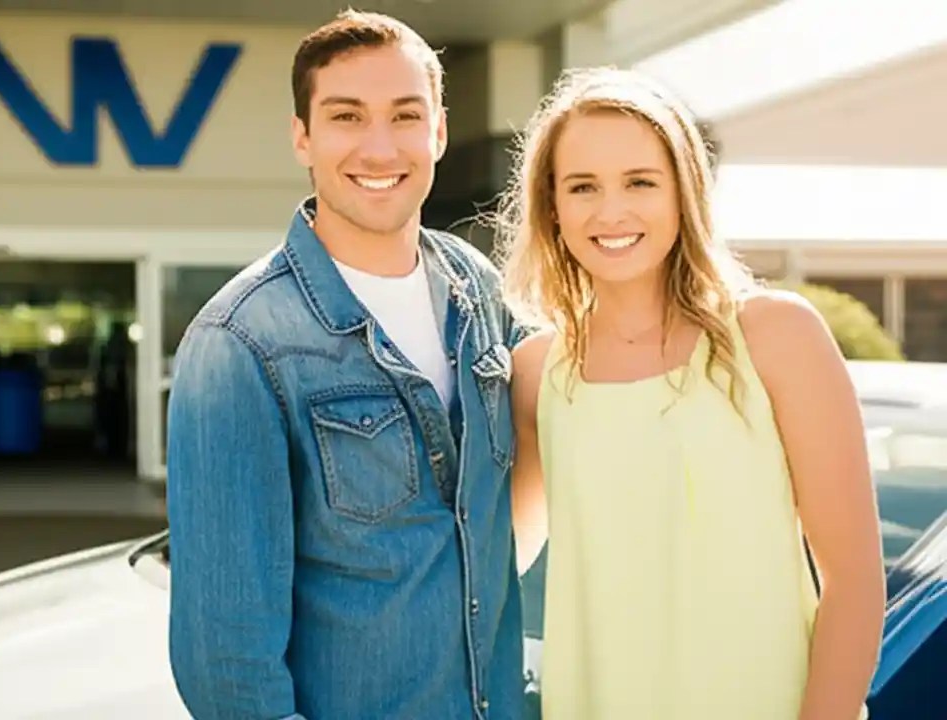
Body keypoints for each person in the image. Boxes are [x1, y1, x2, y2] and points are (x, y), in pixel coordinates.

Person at [166, 10, 529, 720]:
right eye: (346, 116)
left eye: (405, 115)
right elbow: (229, 671)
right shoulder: (239, 344)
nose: (379, 145)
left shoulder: (477, 288)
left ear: (440, 132)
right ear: (302, 136)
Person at [498, 67, 886, 719]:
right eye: (583, 186)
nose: (611, 210)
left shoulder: (776, 337)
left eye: (640, 182)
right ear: (553, 206)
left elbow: (853, 580)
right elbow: (490, 572)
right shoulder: (537, 374)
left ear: (684, 190)